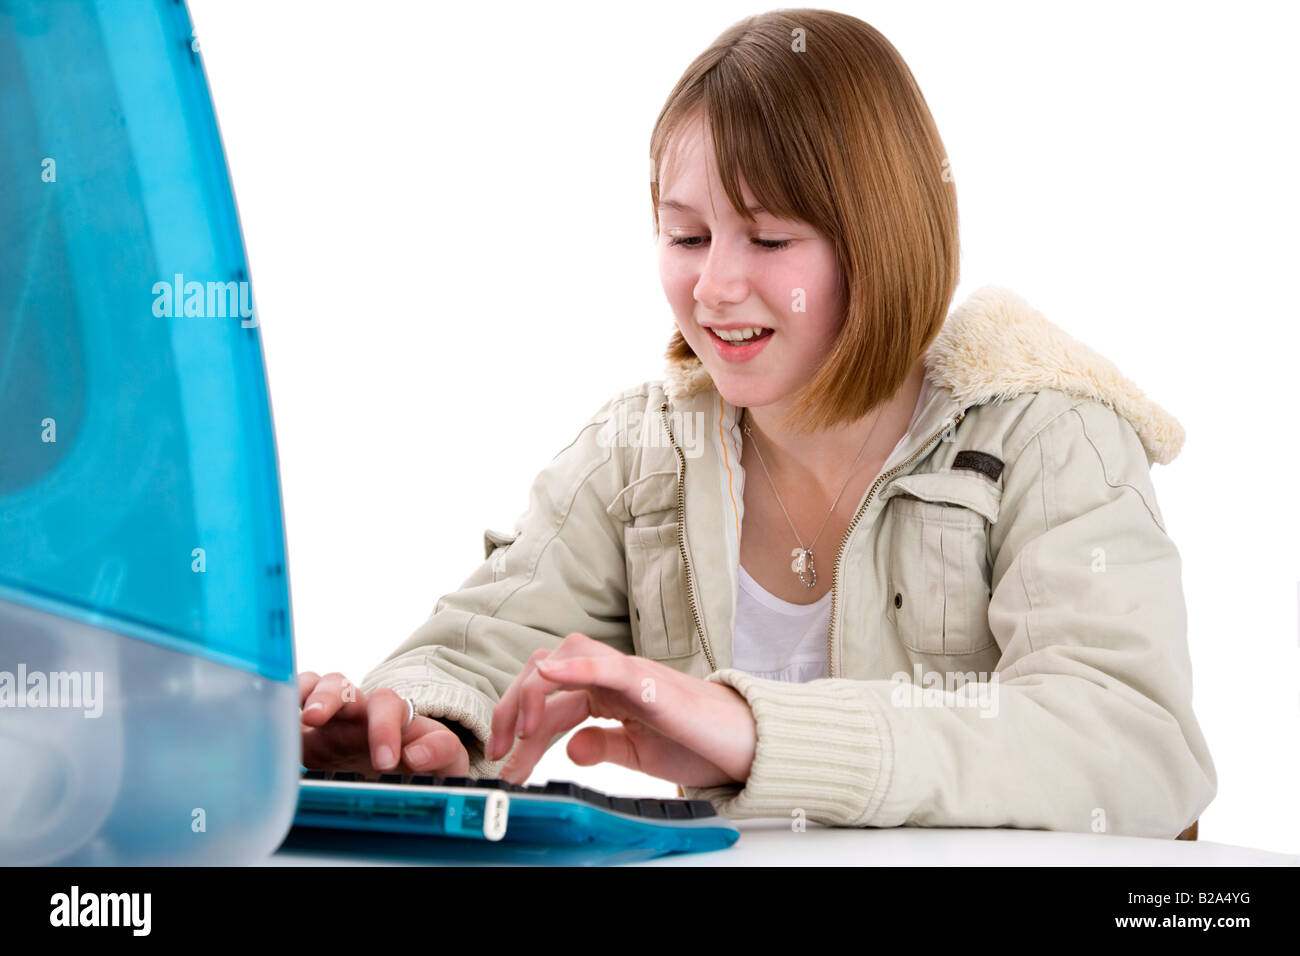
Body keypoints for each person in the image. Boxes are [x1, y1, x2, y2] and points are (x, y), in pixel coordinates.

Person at [299, 9, 1215, 838]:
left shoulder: (1049, 438)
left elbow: (1134, 747)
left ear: (883, 237)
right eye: (687, 236)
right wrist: (412, 731)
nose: (714, 285)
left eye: (769, 239)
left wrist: (757, 730)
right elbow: (482, 644)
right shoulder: (641, 454)